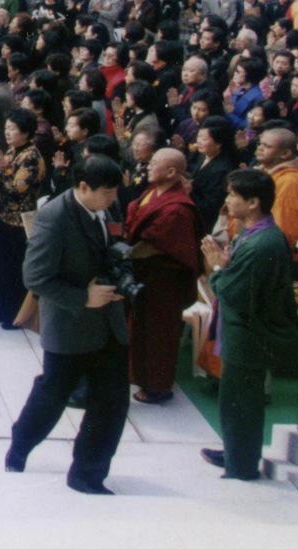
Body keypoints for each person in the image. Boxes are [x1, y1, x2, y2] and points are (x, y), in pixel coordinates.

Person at [7, 155, 129, 495]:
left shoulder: (107, 208)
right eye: (106, 193)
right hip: (71, 324)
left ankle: (87, 474)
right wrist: (83, 298)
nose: (112, 199)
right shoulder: (54, 218)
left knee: (113, 401)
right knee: (53, 394)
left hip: (109, 323)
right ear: (83, 187)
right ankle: (20, 445)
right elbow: (35, 277)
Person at [198, 168, 298, 480]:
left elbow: (232, 290)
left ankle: (242, 465)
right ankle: (235, 451)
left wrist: (217, 268)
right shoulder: (251, 234)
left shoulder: (263, 244)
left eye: (233, 195)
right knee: (234, 398)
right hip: (239, 329)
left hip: (250, 333)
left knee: (242, 400)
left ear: (253, 201)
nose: (227, 200)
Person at [124, 147, 202, 404]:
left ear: (171, 172)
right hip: (144, 276)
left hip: (163, 279)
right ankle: (142, 377)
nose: (148, 166)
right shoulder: (152, 193)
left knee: (159, 333)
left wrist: (125, 253)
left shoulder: (178, 208)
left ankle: (158, 387)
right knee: (141, 329)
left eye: (154, 163)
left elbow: (158, 243)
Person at [0, 109, 48, 328]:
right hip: (4, 217)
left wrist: (3, 170)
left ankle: (14, 314)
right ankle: (4, 309)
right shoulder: (13, 150)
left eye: (12, 129)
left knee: (15, 268)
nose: (7, 132)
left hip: (19, 222)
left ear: (25, 132)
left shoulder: (31, 156)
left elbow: (18, 188)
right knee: (2, 267)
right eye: (6, 128)